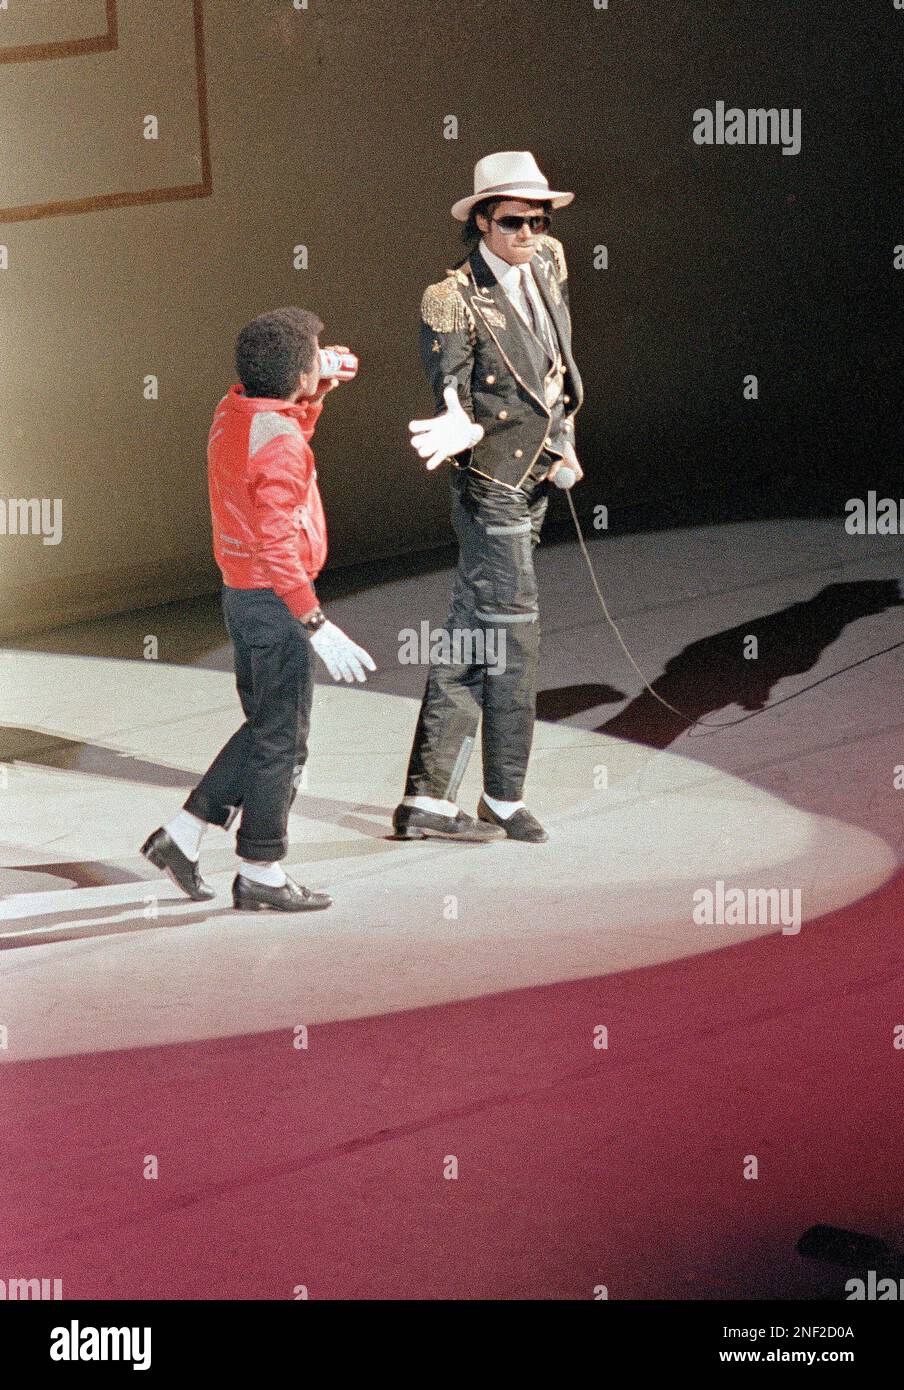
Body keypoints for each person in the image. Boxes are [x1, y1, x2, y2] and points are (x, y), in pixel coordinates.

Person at [141, 307, 374, 911]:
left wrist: (312, 393)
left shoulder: (237, 409)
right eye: (314, 353)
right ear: (296, 372)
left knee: (265, 726)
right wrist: (314, 620)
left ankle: (184, 835)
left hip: (242, 595)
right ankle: (261, 869)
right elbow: (276, 538)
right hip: (274, 602)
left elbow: (282, 446)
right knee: (283, 741)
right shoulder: (281, 444)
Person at [393, 151, 584, 844]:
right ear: (480, 220)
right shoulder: (451, 298)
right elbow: (451, 383)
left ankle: (425, 802)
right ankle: (503, 796)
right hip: (493, 485)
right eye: (513, 222)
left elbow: (554, 366)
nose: (529, 233)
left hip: (536, 476)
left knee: (474, 628)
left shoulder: (550, 263)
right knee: (514, 633)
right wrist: (458, 417)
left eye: (538, 219)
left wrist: (563, 437)